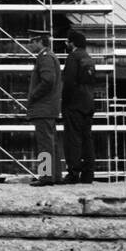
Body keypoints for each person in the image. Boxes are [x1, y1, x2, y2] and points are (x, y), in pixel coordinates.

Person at [61, 29, 98, 184]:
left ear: (73, 43)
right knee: (87, 139)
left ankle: (73, 173)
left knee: (73, 139)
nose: (66, 44)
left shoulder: (73, 57)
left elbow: (68, 82)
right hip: (88, 103)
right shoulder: (88, 58)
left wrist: (65, 102)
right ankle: (88, 173)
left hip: (74, 104)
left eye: (68, 41)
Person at [25, 31, 62, 186]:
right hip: (49, 107)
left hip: (43, 107)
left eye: (32, 41)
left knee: (44, 143)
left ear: (39, 41)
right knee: (51, 142)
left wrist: (33, 95)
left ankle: (46, 176)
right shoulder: (50, 56)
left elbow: (47, 81)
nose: (30, 45)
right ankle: (56, 176)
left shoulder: (45, 57)